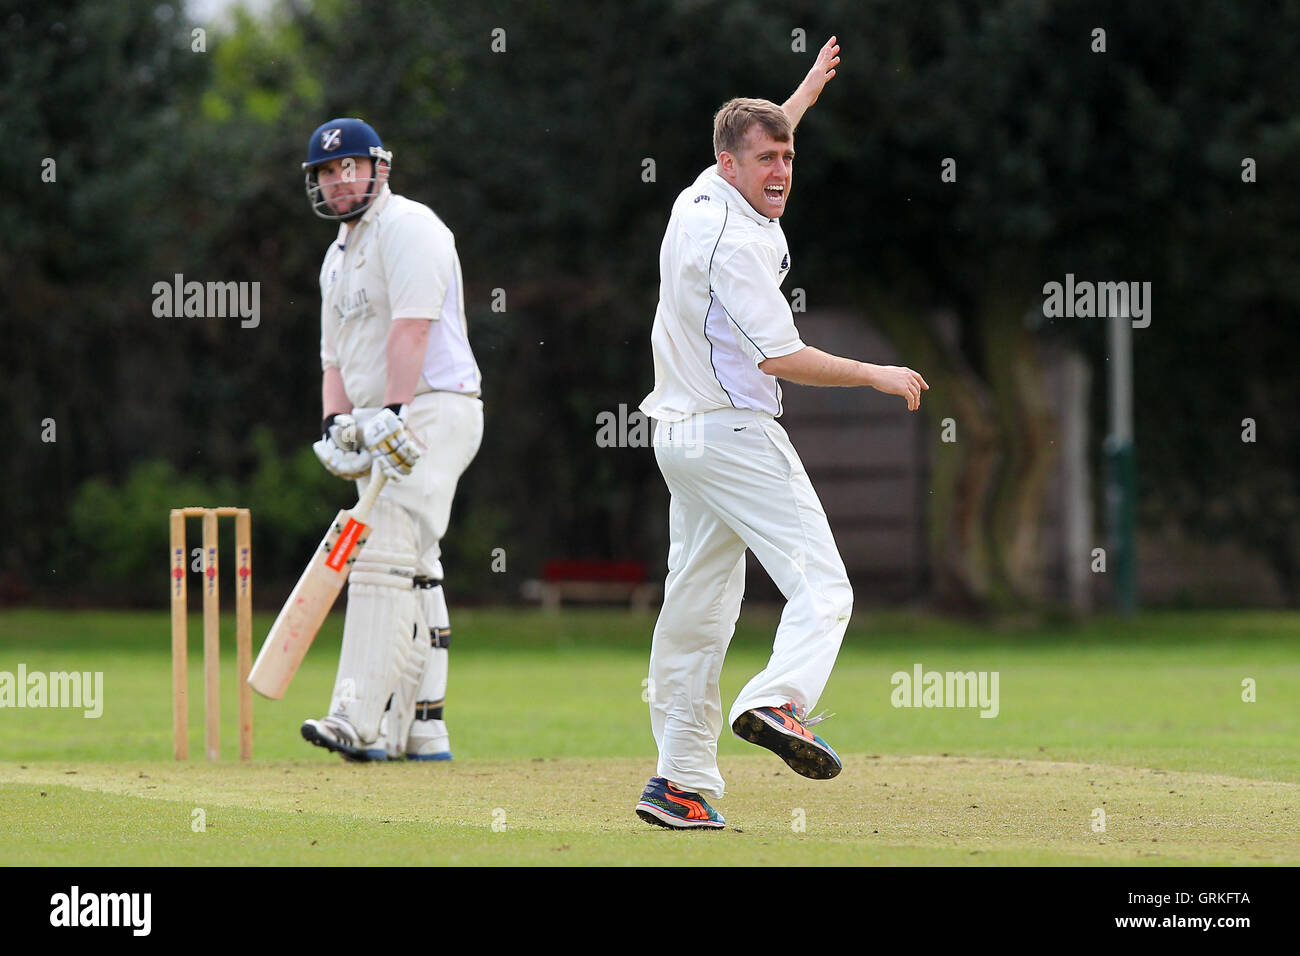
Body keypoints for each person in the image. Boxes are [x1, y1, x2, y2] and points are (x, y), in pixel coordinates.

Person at [634, 39, 929, 829]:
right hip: (733, 433)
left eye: (789, 156)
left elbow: (759, 135)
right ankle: (777, 701)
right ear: (729, 165)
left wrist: (799, 100)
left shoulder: (697, 197)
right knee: (825, 586)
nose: (781, 172)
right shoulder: (732, 243)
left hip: (677, 438)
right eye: (766, 159)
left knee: (698, 613)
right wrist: (873, 373)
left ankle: (679, 783)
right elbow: (781, 355)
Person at [297, 117, 483, 762]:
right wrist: (333, 424)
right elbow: (334, 360)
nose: (338, 179)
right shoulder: (337, 255)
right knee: (416, 566)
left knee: (381, 550)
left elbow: (413, 329)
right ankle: (421, 726)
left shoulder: (411, 227)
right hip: (384, 416)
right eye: (326, 171)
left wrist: (395, 412)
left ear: (380, 167)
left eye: (349, 165)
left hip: (434, 406)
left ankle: (356, 715)